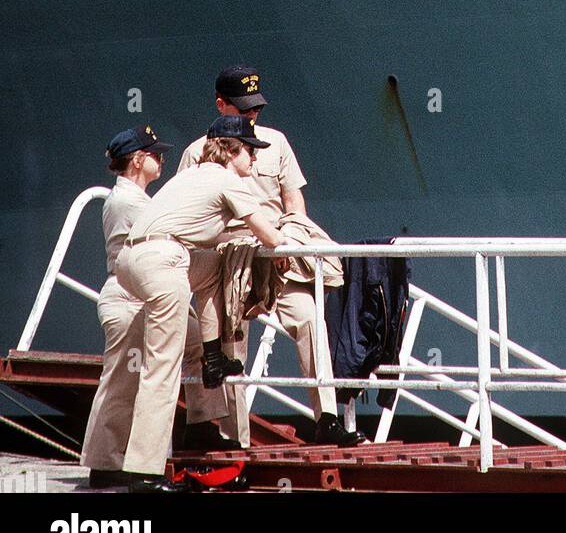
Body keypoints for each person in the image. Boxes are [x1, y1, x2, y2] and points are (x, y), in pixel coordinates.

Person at [180, 66, 364, 447]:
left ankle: (327, 419)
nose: (252, 116)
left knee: (310, 321)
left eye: (255, 110)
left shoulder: (275, 143)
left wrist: (290, 241)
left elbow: (294, 201)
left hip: (277, 255)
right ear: (220, 105)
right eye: (243, 109)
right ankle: (236, 439)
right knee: (232, 345)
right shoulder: (196, 153)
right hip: (229, 260)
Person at [115, 116, 289, 491]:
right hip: (163, 261)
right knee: (162, 369)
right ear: (230, 151)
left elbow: (213, 230)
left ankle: (212, 355)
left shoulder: (191, 176)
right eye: (250, 151)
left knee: (212, 267)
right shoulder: (228, 179)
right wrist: (288, 248)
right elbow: (266, 231)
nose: (255, 160)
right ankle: (143, 473)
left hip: (137, 259)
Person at [79, 124, 229, 488]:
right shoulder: (132, 201)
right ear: (136, 160)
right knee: (125, 381)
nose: (161, 158)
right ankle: (122, 467)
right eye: (154, 153)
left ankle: (198, 423)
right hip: (129, 300)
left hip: (135, 297)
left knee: (191, 346)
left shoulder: (129, 198)